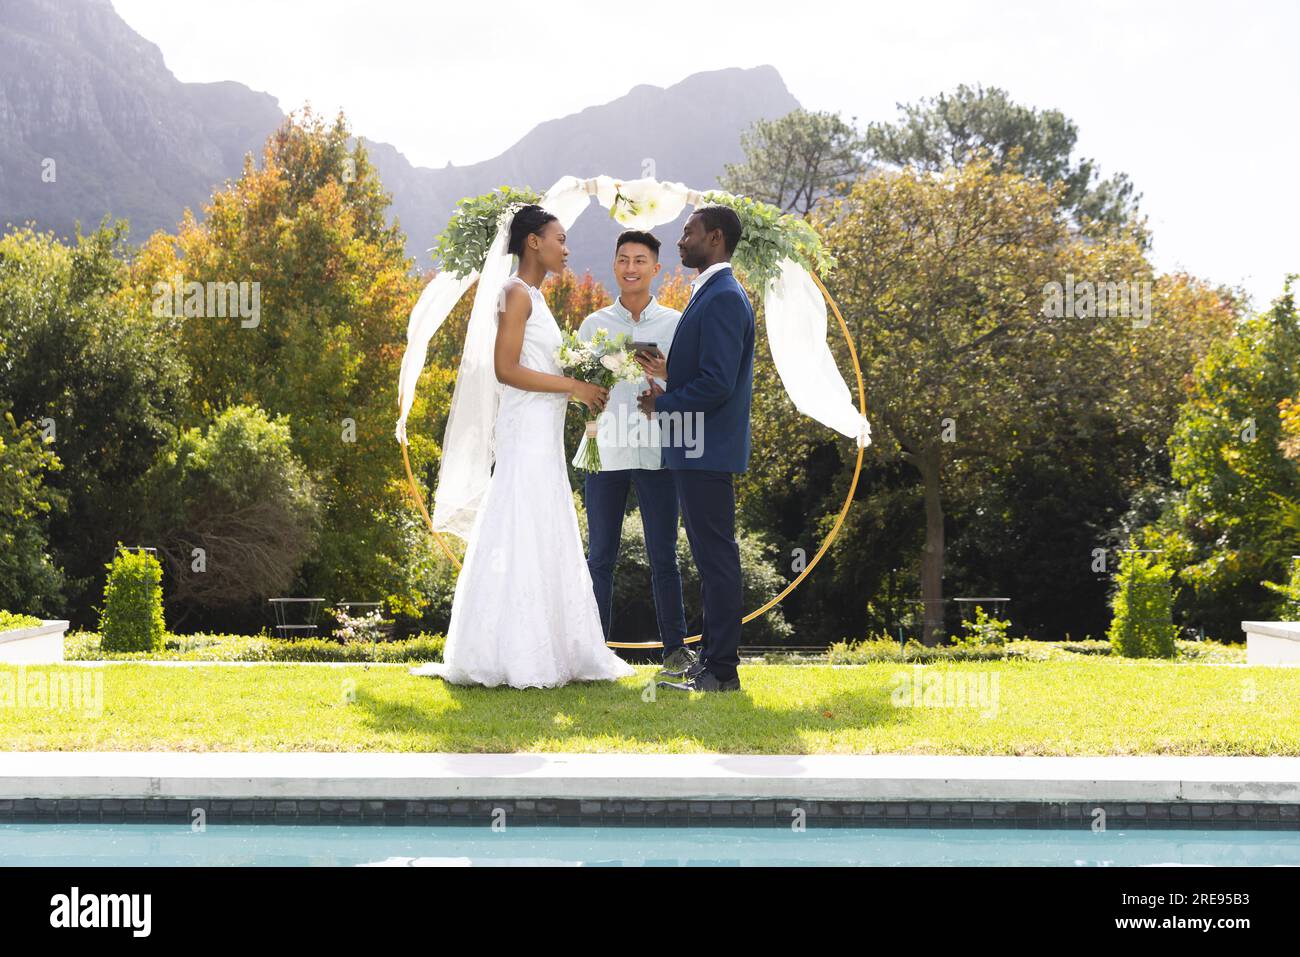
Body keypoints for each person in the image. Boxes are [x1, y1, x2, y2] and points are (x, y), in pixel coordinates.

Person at [413, 205, 635, 688]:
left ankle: (551, 646)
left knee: (542, 522)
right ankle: (512, 653)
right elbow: (506, 369)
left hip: (543, 429)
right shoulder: (515, 293)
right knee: (521, 520)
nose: (566, 248)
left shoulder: (534, 295)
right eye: (559, 238)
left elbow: (539, 366)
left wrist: (579, 386)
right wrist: (574, 387)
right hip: (525, 430)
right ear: (533, 241)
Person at [639, 206, 754, 693]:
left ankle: (721, 671)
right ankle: (711, 663)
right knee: (711, 558)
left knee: (716, 559)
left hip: (707, 448)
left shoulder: (725, 296)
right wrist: (669, 372)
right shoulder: (711, 291)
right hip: (697, 448)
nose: (680, 240)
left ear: (715, 238)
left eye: (688, 233)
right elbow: (705, 372)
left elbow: (717, 385)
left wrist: (666, 402)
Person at [577, 230, 689, 667]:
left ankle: (676, 651)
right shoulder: (593, 325)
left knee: (664, 555)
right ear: (614, 265)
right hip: (606, 451)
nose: (630, 268)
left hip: (658, 451)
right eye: (623, 259)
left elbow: (694, 384)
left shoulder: (676, 324)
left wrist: (665, 376)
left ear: (656, 269)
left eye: (640, 260)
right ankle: (592, 652)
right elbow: (578, 391)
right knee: (600, 556)